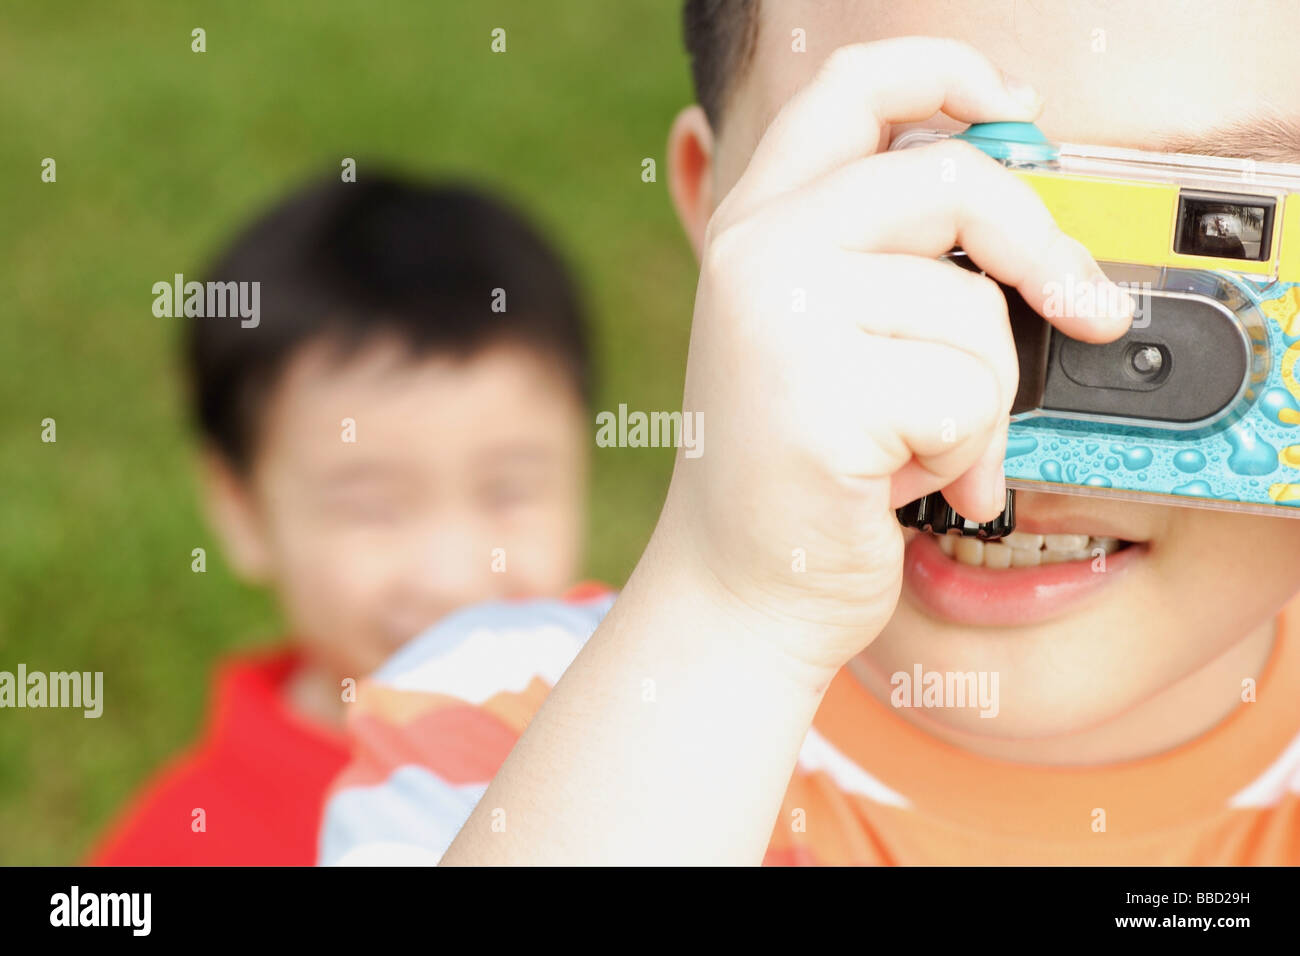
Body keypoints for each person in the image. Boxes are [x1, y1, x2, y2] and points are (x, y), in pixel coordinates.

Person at [319, 1, 1300, 865]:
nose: (994, 397)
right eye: (914, 229)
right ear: (716, 214)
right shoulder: (488, 729)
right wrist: (735, 607)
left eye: (1222, 231)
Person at [88, 176, 593, 865]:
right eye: (372, 507)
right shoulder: (182, 848)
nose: (453, 575)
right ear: (241, 512)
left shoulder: (681, 730)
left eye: (508, 490)